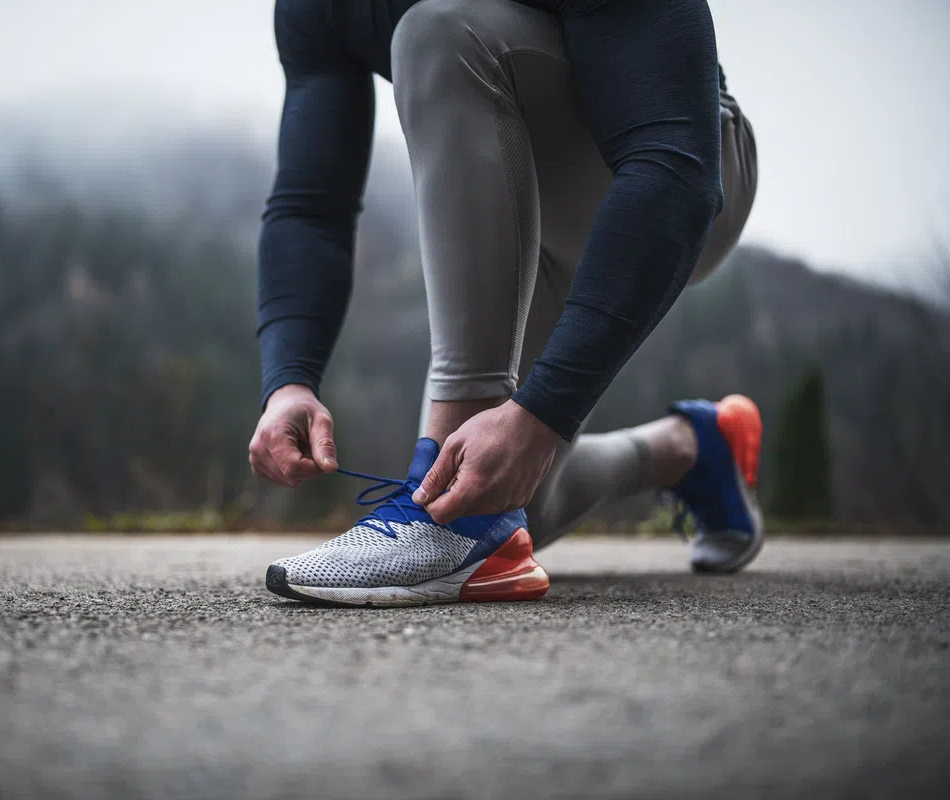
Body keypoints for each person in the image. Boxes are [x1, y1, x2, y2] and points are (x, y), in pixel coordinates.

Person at [249, 0, 761, 606]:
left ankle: (453, 524)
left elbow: (677, 167)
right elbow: (312, 206)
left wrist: (542, 414)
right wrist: (289, 382)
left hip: (686, 165)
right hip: (525, 201)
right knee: (500, 497)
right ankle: (692, 448)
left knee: (437, 29)